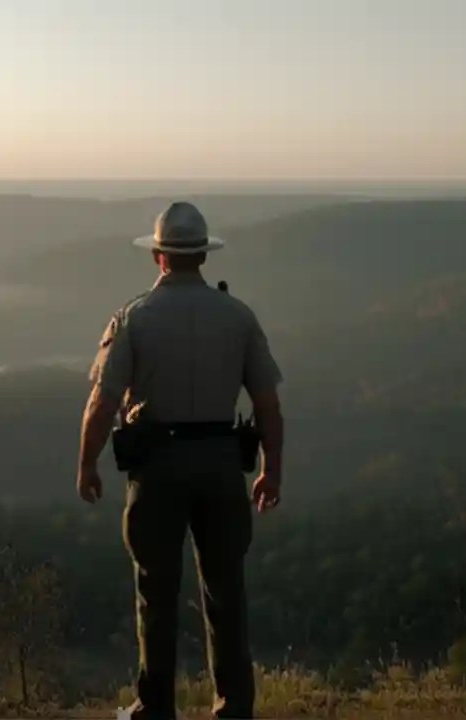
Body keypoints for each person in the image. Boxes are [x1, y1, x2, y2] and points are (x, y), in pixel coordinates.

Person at [76, 201, 285, 720]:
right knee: (226, 593)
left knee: (156, 594)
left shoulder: (134, 318)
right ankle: (233, 708)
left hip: (158, 469)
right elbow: (267, 404)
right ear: (202, 258)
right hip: (221, 468)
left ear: (159, 258)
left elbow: (103, 403)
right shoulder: (238, 317)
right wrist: (271, 470)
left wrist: (87, 464)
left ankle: (155, 708)